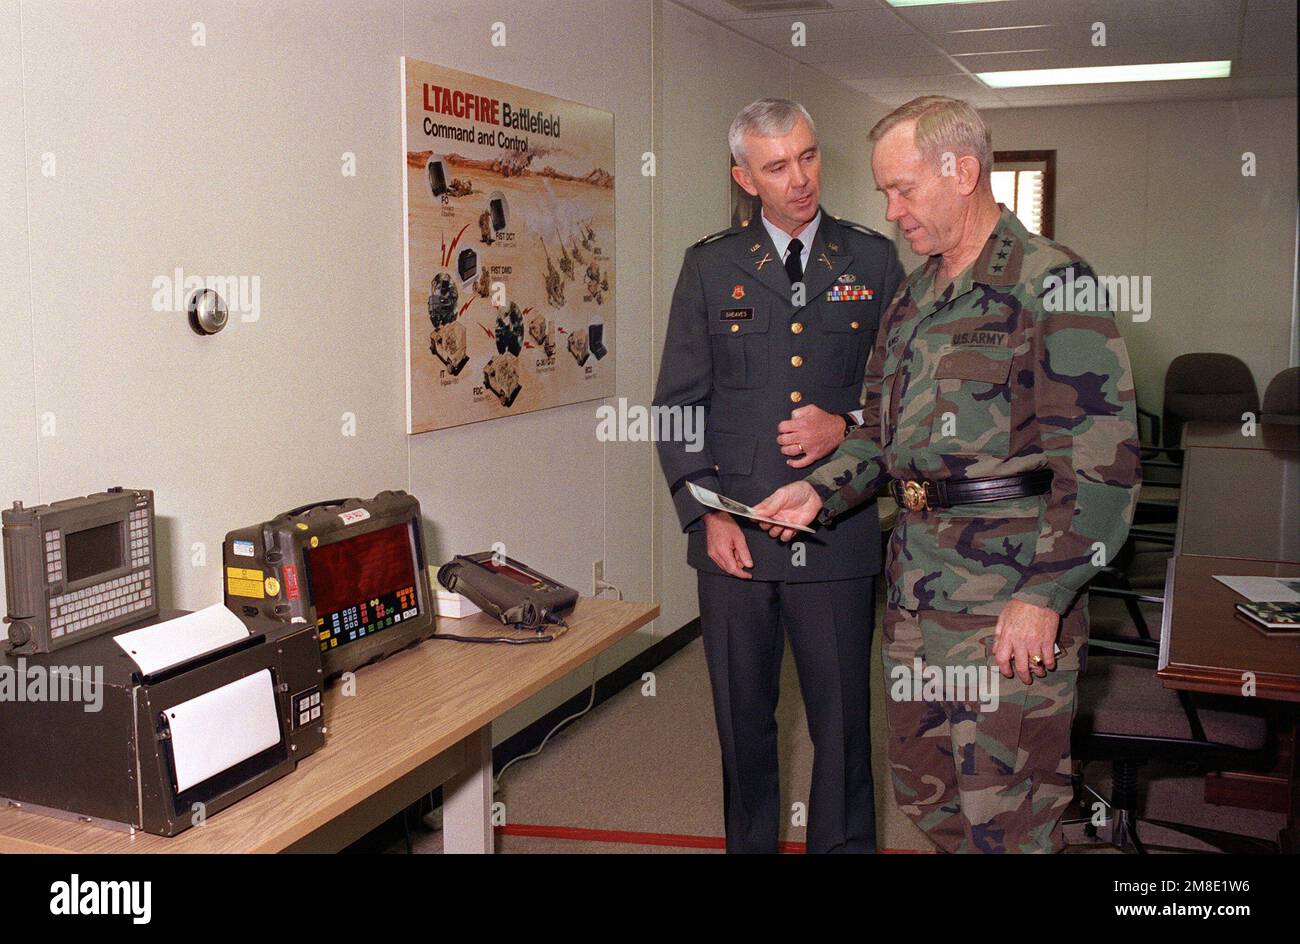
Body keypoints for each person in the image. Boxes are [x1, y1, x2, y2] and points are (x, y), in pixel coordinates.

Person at [753, 96, 1141, 853]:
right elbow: (878, 436)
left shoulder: (1051, 283)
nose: (892, 212)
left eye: (903, 190)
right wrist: (819, 491)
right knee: (932, 801)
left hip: (1008, 603)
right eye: (885, 193)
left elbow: (1103, 465)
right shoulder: (912, 297)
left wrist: (1045, 595)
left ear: (962, 172)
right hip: (915, 597)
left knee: (1012, 817)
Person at [653, 98, 903, 853]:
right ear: (743, 177)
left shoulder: (873, 258)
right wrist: (706, 518)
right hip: (736, 536)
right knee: (743, 724)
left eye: (809, 156)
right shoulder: (710, 266)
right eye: (776, 166)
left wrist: (849, 423)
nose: (800, 180)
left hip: (836, 531)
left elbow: (908, 397)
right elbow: (676, 409)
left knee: (842, 726)